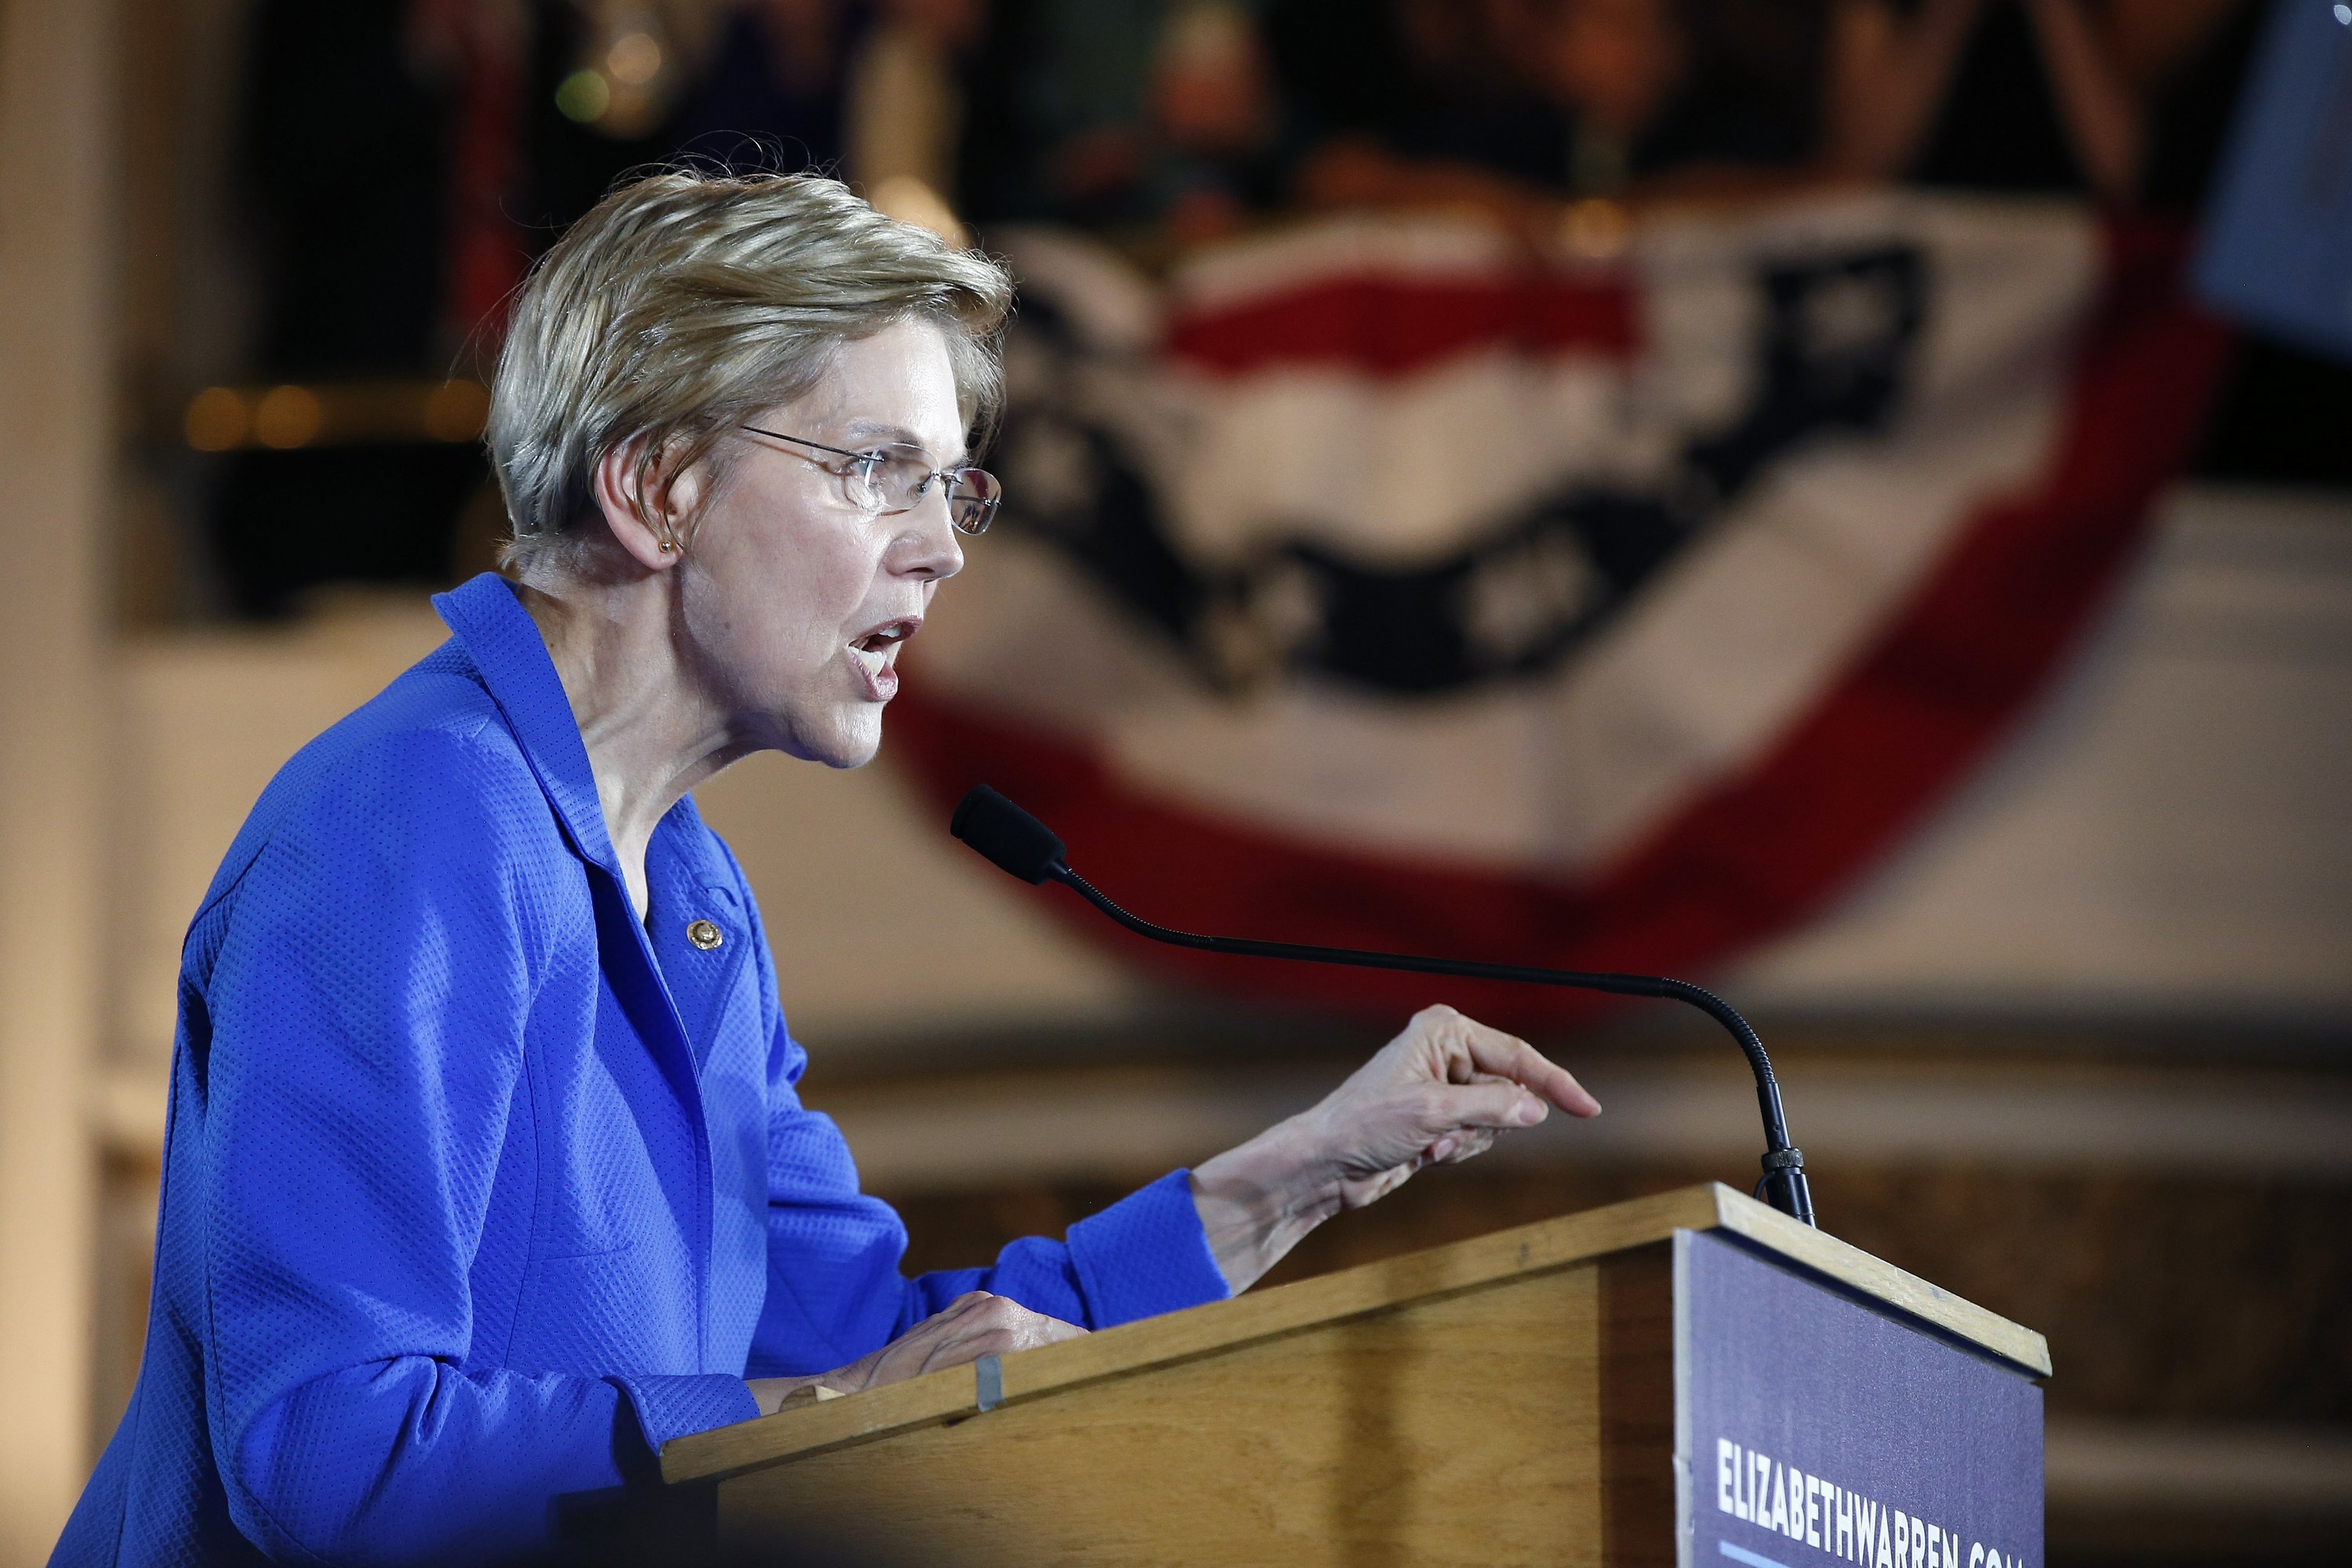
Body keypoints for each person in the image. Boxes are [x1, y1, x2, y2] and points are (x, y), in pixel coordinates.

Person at [53, 169, 1600, 1566]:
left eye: (956, 488)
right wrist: (831, 1400)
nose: (943, 547)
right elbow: (326, 1455)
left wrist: (1302, 1169)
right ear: (658, 488)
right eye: (881, 471)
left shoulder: (696, 905)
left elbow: (884, 1359)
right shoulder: (409, 826)